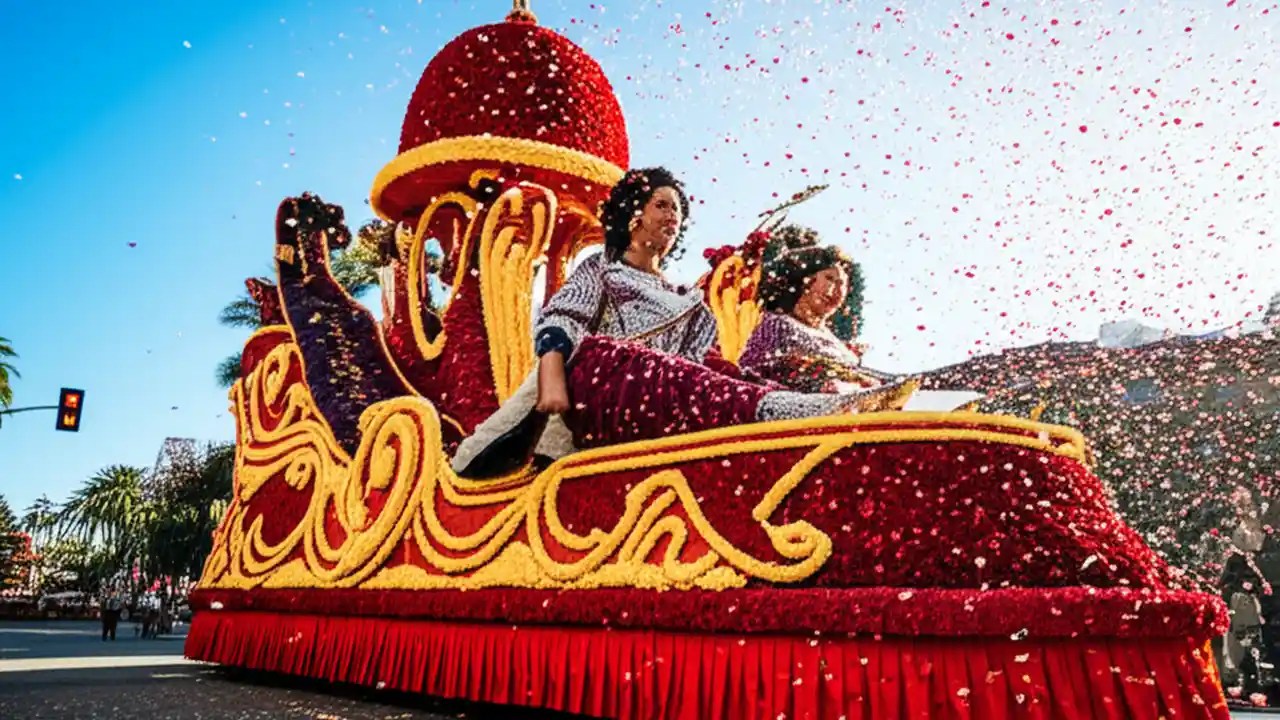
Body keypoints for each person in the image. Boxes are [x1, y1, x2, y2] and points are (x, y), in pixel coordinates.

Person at [452, 168, 910, 478]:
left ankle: (787, 413)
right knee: (614, 354)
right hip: (586, 393)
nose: (674, 217)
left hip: (644, 406)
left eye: (678, 211)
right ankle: (791, 411)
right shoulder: (604, 270)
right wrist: (552, 384)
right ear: (634, 212)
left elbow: (693, 375)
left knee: (721, 374)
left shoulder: (687, 302)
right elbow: (561, 323)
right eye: (662, 206)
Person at [737, 226, 889, 393]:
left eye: (842, 285)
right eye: (829, 278)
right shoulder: (775, 325)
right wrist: (814, 383)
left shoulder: (841, 346)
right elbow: (751, 372)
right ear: (805, 280)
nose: (835, 291)